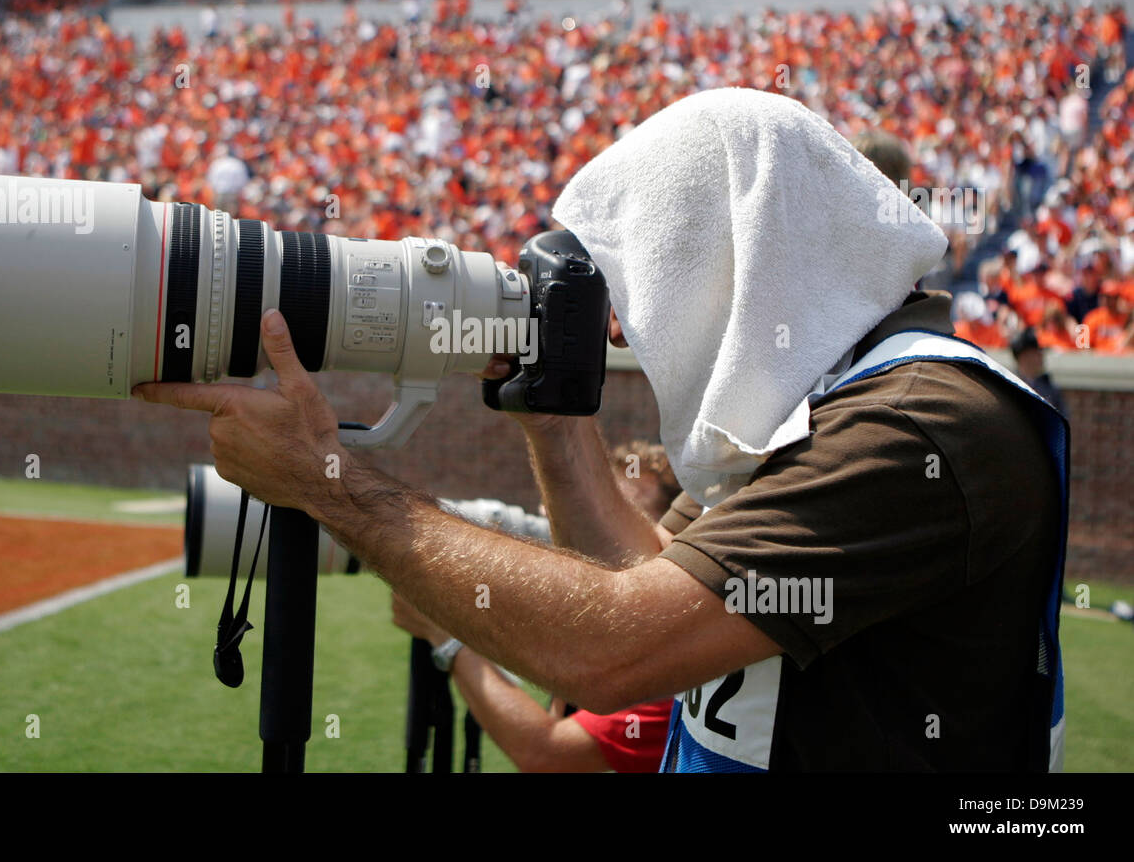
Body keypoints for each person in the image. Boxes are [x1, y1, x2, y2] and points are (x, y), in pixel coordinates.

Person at [137, 89, 1069, 771]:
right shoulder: (830, 398)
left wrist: (327, 481)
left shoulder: (916, 430)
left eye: (644, 289)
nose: (626, 326)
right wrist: (554, 420)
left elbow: (616, 650)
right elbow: (649, 577)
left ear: (729, 260)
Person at [390, 442, 682, 773]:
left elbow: (549, 755)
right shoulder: (608, 627)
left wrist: (447, 638)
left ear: (667, 538)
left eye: (619, 519)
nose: (588, 535)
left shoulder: (674, 653)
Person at [1010, 329, 1068, 417]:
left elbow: (1063, 419)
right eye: (1036, 351)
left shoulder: (1049, 388)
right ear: (1024, 356)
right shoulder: (1010, 385)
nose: (1041, 355)